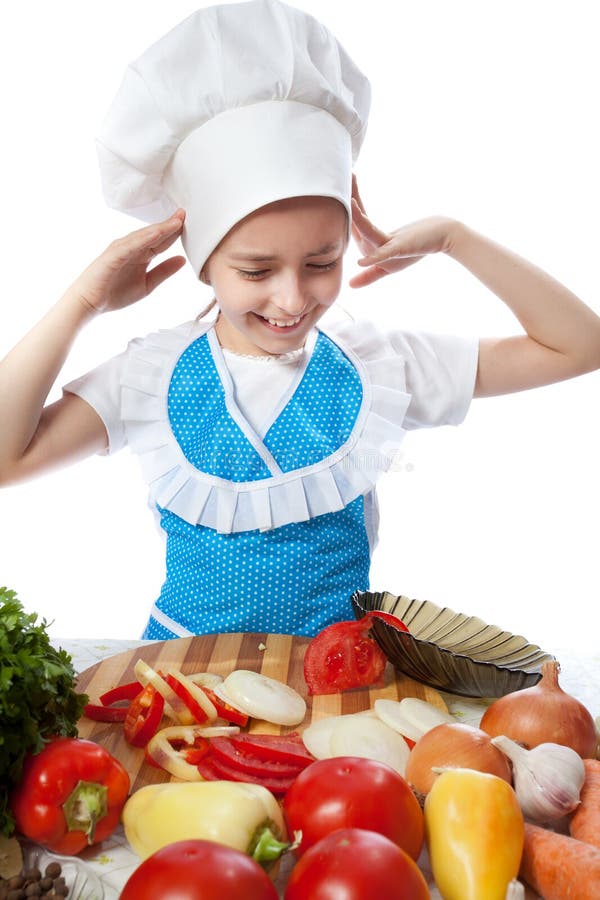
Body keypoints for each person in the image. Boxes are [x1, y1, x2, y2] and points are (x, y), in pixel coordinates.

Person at [0, 0, 599, 640]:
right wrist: (82, 302)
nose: (292, 300)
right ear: (202, 260)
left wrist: (457, 238)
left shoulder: (383, 367)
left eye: (322, 262)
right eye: (256, 271)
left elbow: (578, 346)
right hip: (182, 685)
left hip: (338, 684)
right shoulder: (148, 377)